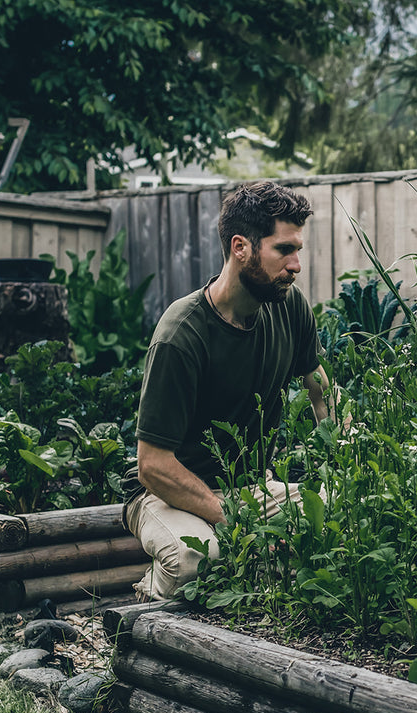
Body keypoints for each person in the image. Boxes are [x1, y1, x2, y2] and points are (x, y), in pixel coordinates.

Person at [123, 180, 335, 601]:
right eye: (283, 250)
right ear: (241, 247)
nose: (295, 265)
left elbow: (321, 390)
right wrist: (235, 520)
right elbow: (153, 466)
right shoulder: (181, 334)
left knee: (345, 509)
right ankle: (144, 610)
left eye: (298, 251)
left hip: (253, 489)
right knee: (194, 559)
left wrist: (345, 454)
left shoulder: (289, 305)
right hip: (167, 493)